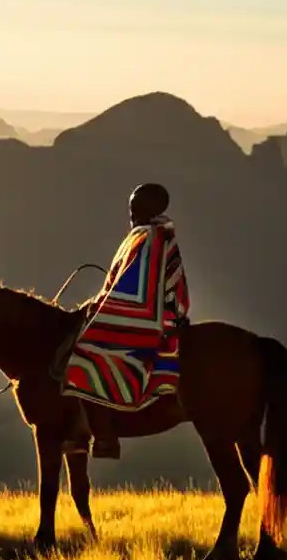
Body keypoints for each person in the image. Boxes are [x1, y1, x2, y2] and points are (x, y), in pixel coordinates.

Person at [57, 183, 190, 458]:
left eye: (135, 208)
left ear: (146, 209)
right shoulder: (150, 234)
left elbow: (137, 291)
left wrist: (105, 307)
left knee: (88, 355)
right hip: (141, 310)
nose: (130, 213)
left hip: (147, 317)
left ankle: (104, 437)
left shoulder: (149, 237)